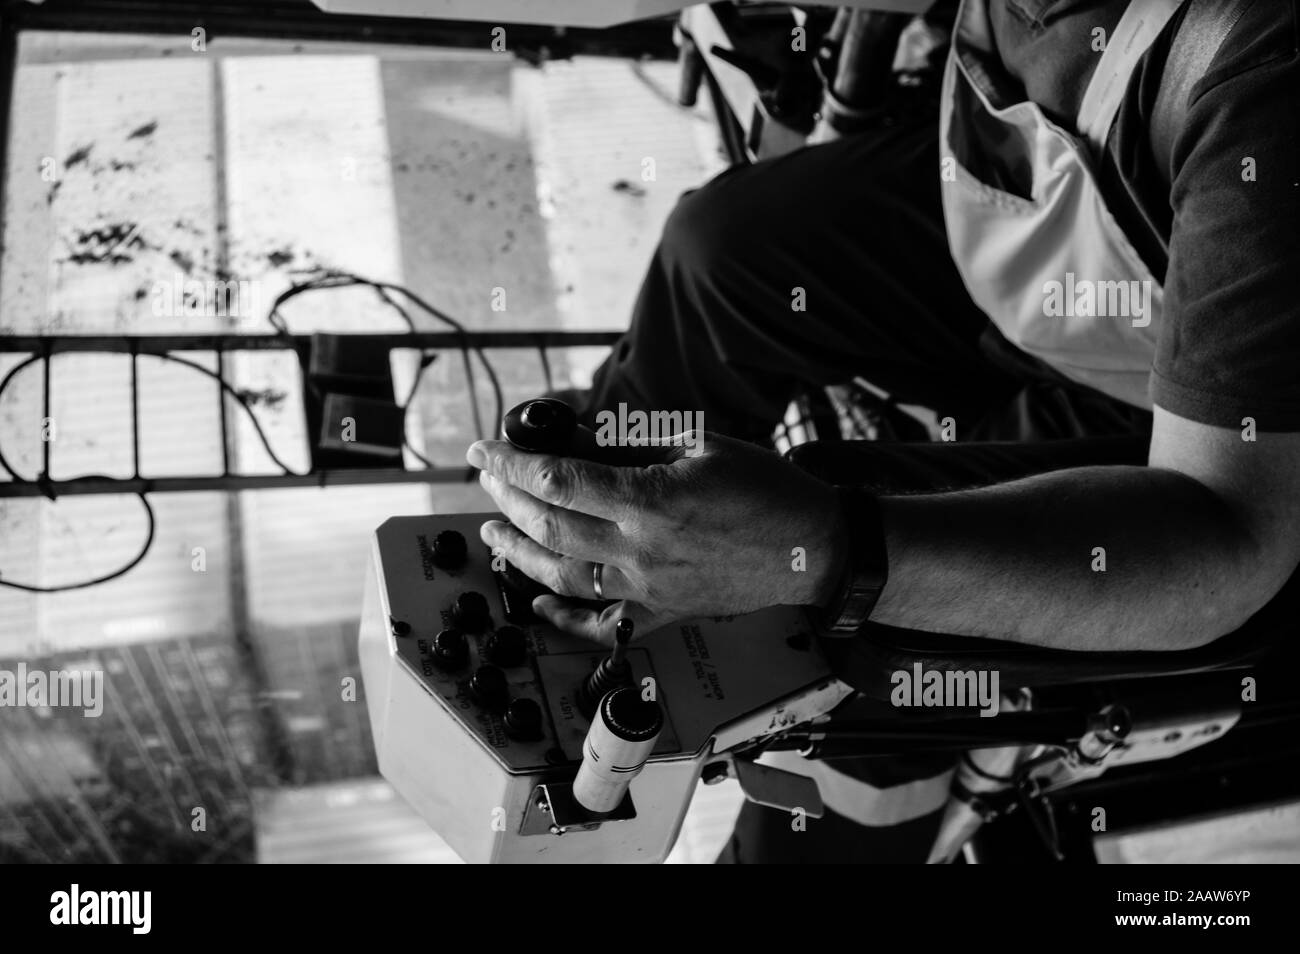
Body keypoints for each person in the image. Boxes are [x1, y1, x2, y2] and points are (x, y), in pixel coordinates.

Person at [465, 0, 1300, 862]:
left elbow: (1233, 541)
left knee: (850, 620)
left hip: (1189, 428)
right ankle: (587, 558)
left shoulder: (1259, 74)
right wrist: (847, 84)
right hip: (1036, 278)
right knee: (717, 254)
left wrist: (833, 551)